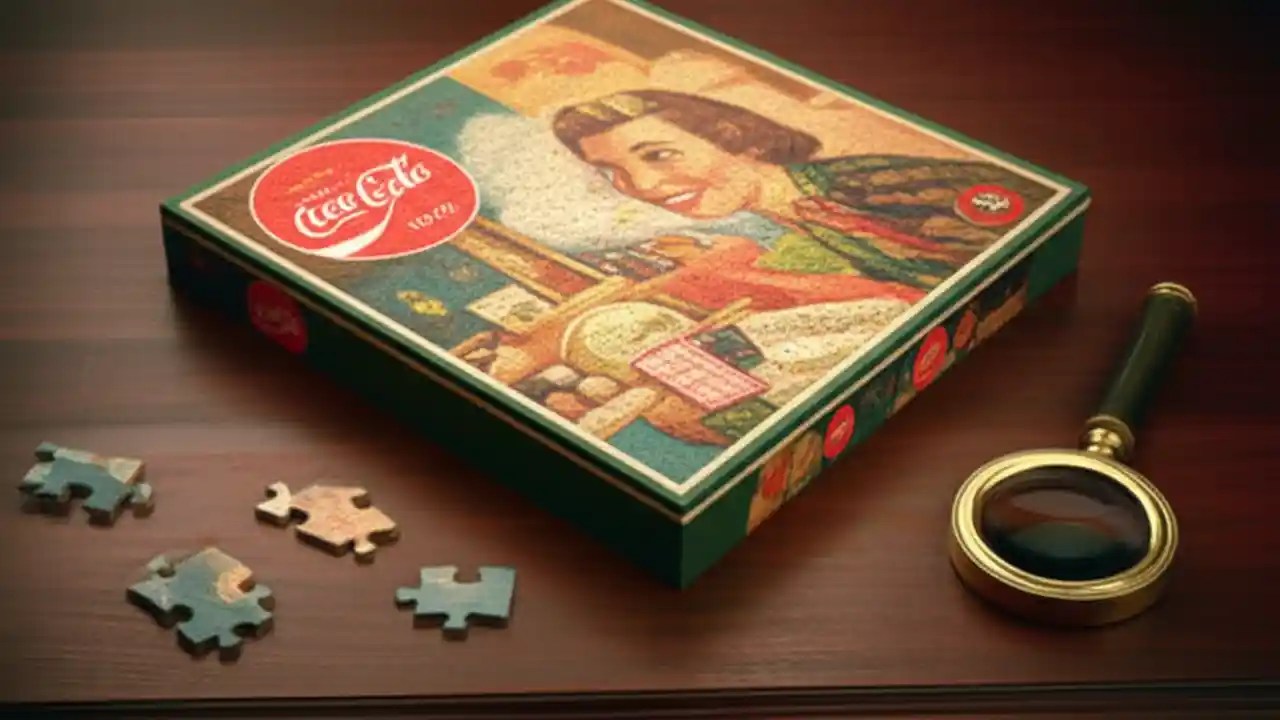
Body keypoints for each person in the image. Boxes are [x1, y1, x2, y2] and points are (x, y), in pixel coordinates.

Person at [551, 89, 1057, 296]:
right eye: (610, 172)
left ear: (734, 137)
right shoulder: (804, 216)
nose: (640, 187)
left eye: (658, 154)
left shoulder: (861, 185)